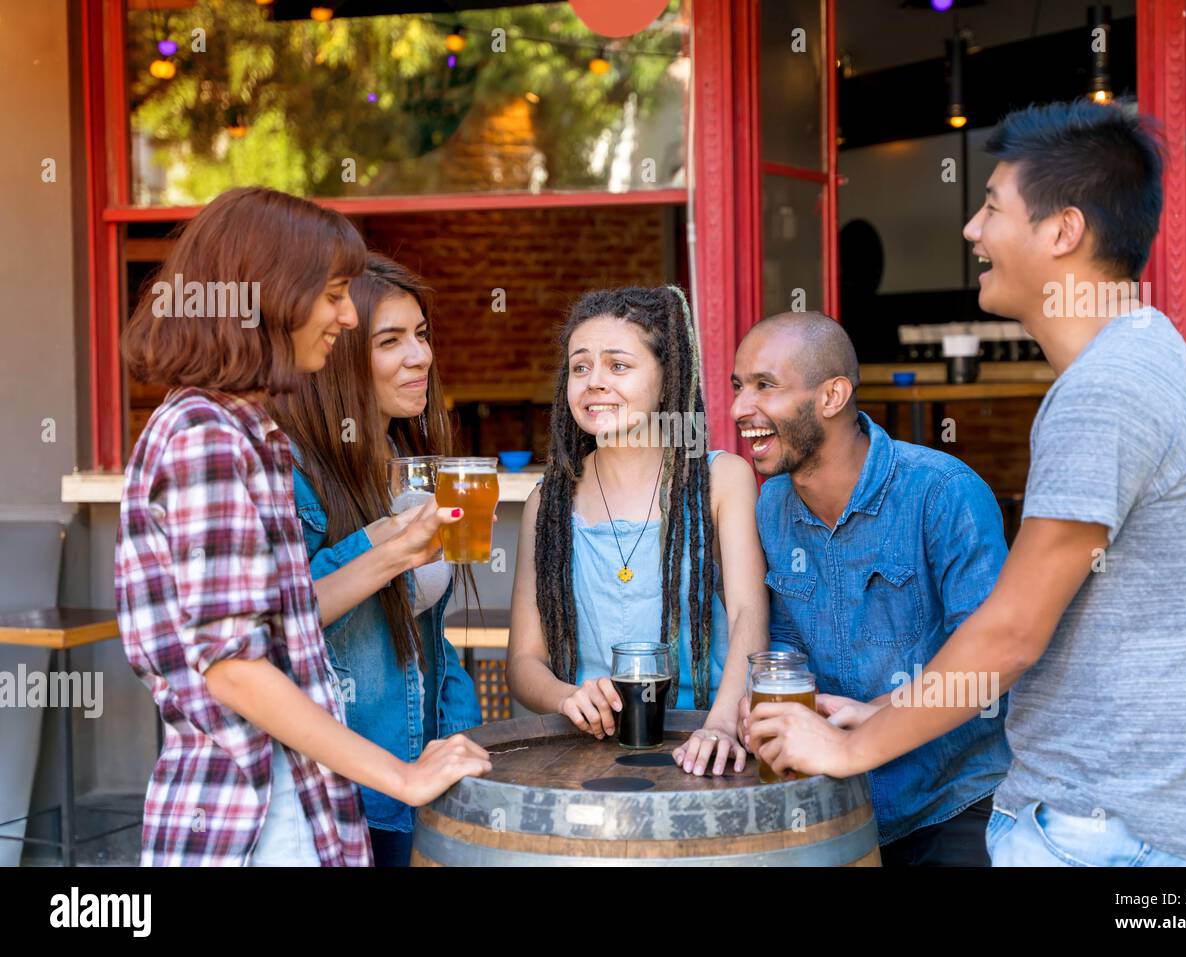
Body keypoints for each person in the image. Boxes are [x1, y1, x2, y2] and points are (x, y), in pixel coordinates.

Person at [750, 100, 1186, 867]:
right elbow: (1048, 624)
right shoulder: (1136, 362)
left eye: (991, 208)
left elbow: (1013, 631)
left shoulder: (1107, 390)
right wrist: (881, 709)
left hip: (1106, 834)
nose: (971, 230)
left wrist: (849, 749)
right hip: (1121, 826)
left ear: (1063, 231)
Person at [115, 187, 491, 867]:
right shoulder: (207, 436)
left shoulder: (242, 429)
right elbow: (233, 667)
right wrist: (401, 775)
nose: (346, 316)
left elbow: (273, 623)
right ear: (270, 297)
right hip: (252, 819)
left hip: (292, 805)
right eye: (334, 294)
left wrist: (394, 549)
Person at [732, 311, 1010, 866]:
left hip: (956, 802)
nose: (741, 408)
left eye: (765, 386)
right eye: (739, 387)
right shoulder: (772, 504)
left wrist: (879, 712)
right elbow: (786, 646)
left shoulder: (944, 493)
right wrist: (763, 705)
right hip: (832, 804)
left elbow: (989, 673)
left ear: (833, 395)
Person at [267, 254, 483, 867]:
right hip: (345, 785)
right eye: (391, 341)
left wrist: (462, 738)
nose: (420, 356)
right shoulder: (289, 469)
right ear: (335, 353)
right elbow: (282, 618)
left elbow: (426, 639)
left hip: (422, 771)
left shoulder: (404, 454)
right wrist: (385, 545)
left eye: (421, 335)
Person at [507, 286, 768, 775]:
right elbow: (523, 662)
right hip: (588, 753)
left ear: (667, 377)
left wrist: (722, 724)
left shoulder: (721, 480)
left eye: (619, 366)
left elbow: (749, 616)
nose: (594, 382)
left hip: (704, 742)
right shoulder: (550, 502)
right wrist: (567, 697)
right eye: (580, 367)